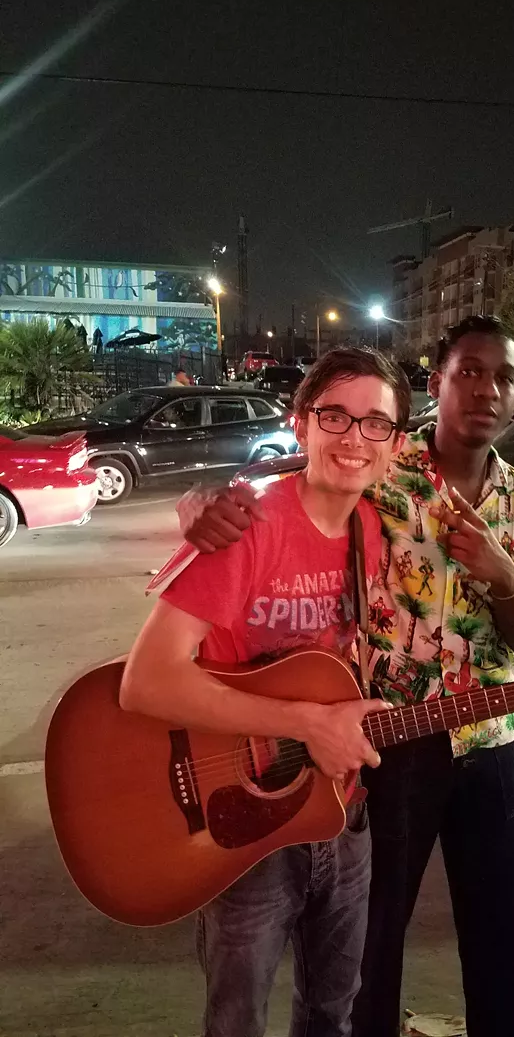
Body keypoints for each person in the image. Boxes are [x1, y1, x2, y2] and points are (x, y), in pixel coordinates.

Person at [180, 317, 514, 1037]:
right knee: (373, 940)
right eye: (469, 372)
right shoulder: (385, 471)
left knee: (507, 933)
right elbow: (296, 482)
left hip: (488, 745)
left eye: (504, 377)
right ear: (438, 384)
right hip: (392, 741)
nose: (487, 389)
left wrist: (504, 575)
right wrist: (208, 499)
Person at [121, 347, 411, 1037]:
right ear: (300, 422)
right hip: (242, 820)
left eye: (376, 423)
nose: (353, 437)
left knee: (332, 1010)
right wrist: (307, 721)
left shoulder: (372, 529)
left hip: (338, 814)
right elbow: (148, 678)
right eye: (335, 415)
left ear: (395, 445)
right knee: (236, 1018)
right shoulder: (246, 524)